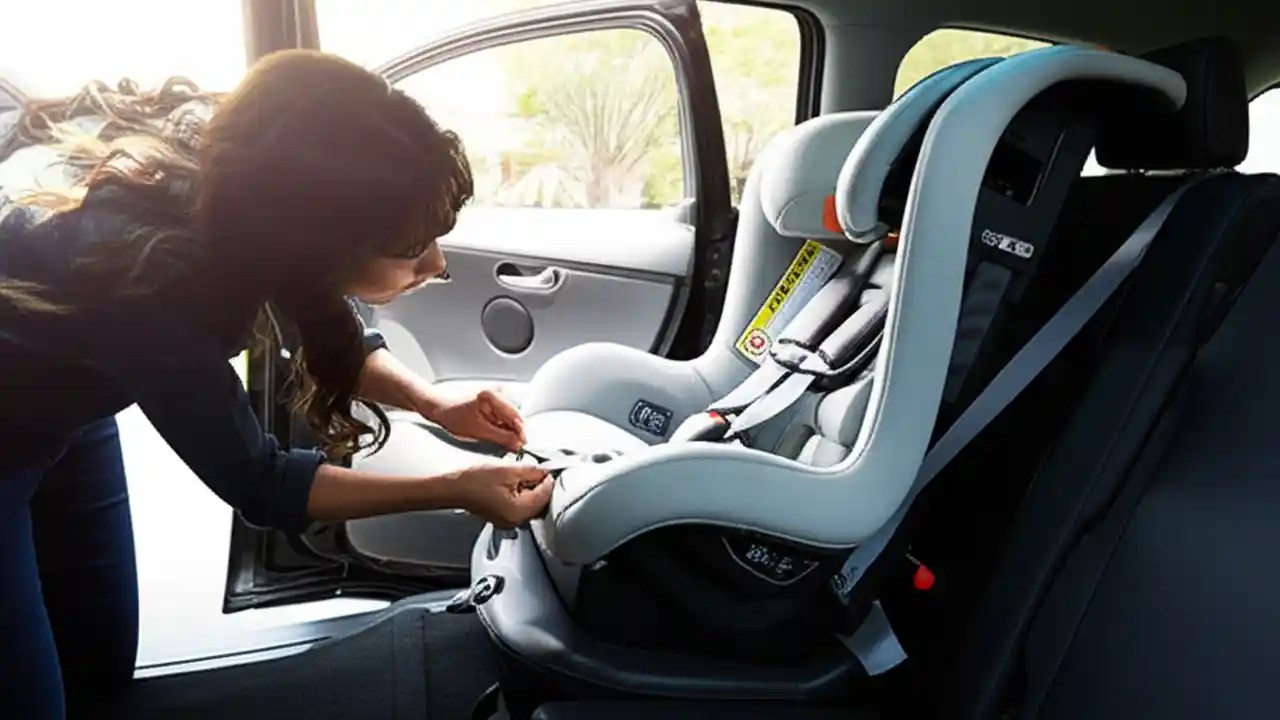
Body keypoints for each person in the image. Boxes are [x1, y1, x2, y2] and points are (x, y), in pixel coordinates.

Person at [0, 51, 552, 719]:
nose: (437, 266)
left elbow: (314, 315)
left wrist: (433, 402)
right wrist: (455, 490)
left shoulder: (252, 193)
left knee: (100, 669)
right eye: (412, 249)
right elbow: (259, 481)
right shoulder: (152, 285)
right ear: (318, 242)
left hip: (65, 411)